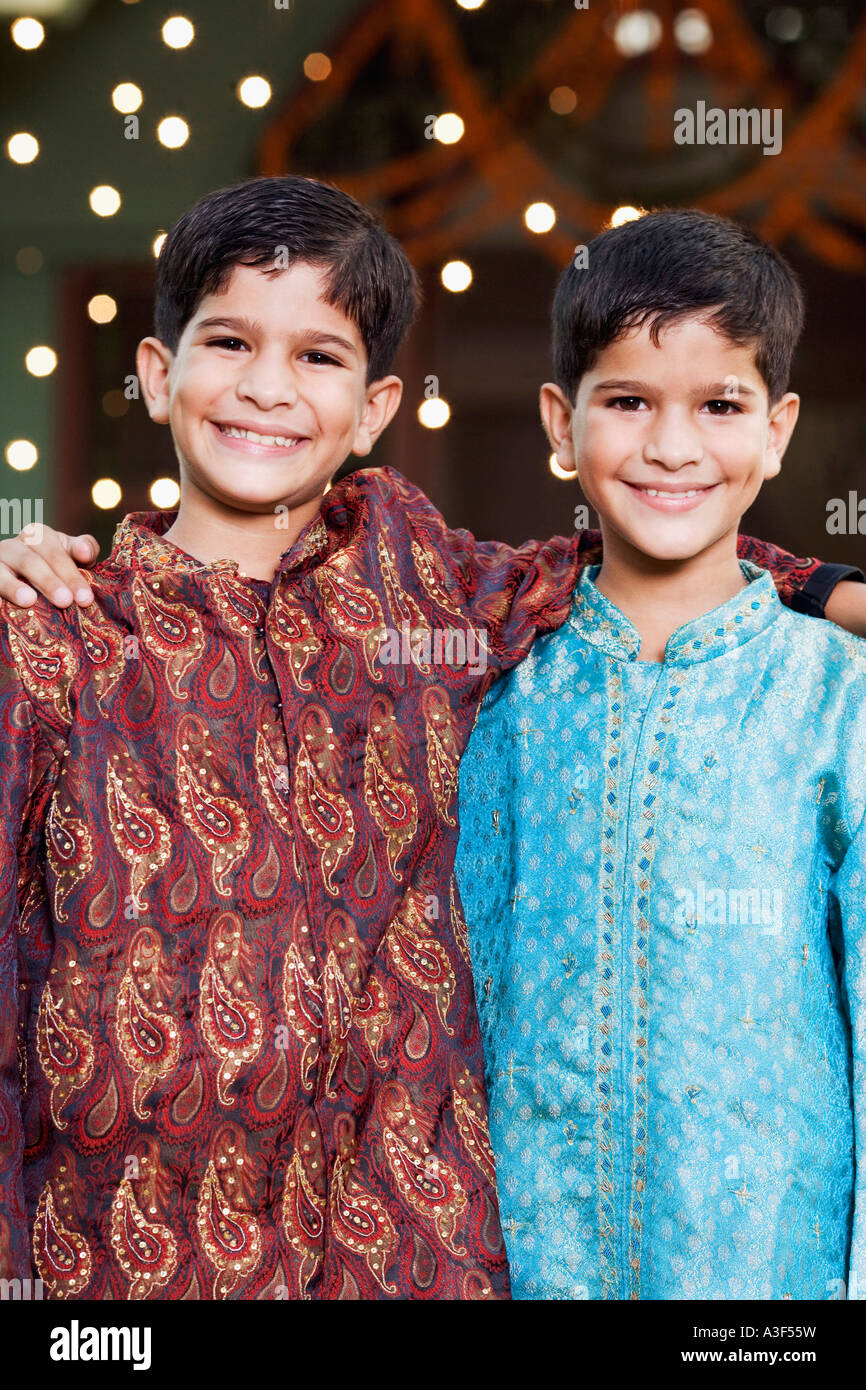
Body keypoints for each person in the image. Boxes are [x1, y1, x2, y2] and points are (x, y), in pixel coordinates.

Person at [0, 183, 862, 1301]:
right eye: (228, 342)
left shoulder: (422, 583)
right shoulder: (55, 634)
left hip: (409, 1262)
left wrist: (826, 586)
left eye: (318, 356)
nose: (267, 386)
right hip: (126, 1279)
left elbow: (641, 554)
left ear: (373, 409)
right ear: (158, 374)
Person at [454, 207, 866, 1300]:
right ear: (561, 420)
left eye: (717, 405)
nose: (671, 446)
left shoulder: (835, 698)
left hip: (767, 1283)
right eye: (627, 401)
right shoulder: (487, 689)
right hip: (522, 1262)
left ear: (775, 428)